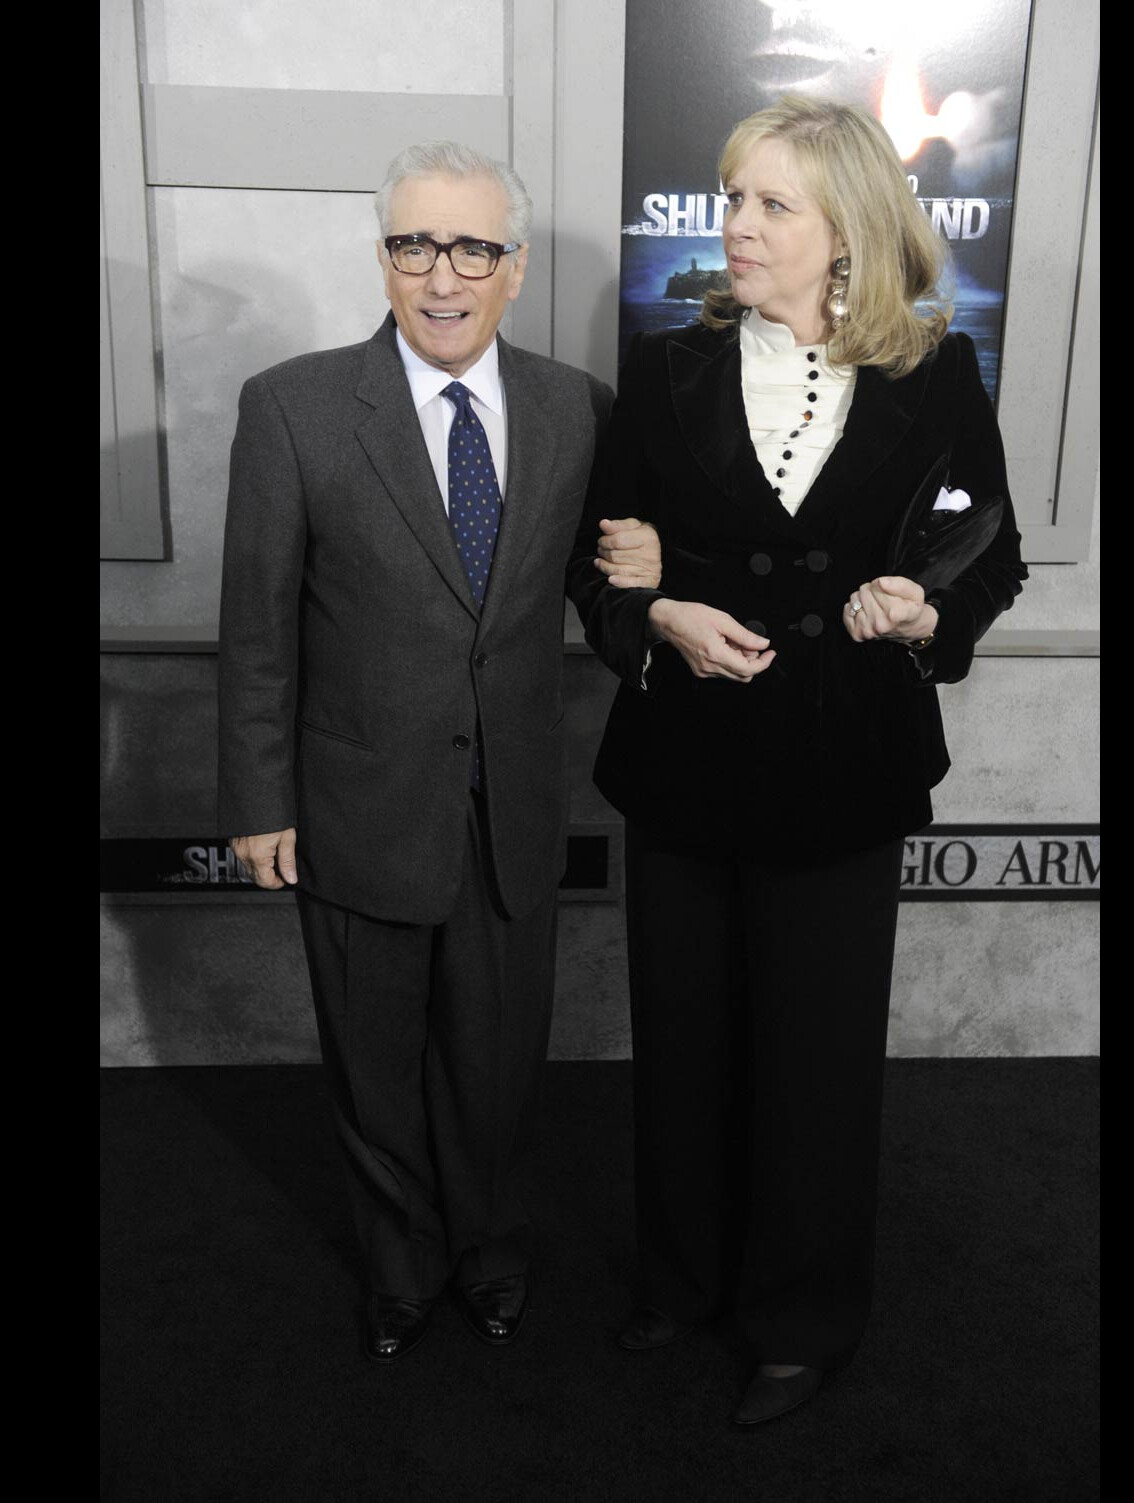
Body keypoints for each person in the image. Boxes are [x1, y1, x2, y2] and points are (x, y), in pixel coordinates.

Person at [568, 94, 1028, 1426]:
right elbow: (597, 549)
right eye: (731, 197)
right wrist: (655, 610)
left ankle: (803, 1314)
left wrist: (929, 605)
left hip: (843, 756)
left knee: (816, 1060)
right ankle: (682, 1277)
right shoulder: (663, 368)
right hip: (687, 757)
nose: (737, 225)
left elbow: (983, 540)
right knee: (685, 1041)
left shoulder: (936, 374)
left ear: (849, 233)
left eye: (771, 203)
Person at [218, 141, 658, 1364]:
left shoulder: (579, 408)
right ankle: (400, 1269)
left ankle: (494, 1254)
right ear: (384, 260)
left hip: (511, 806)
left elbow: (592, 587)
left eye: (471, 248)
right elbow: (256, 624)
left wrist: (654, 597)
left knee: (500, 1064)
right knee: (375, 1065)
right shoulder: (294, 406)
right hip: (356, 803)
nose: (442, 276)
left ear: (512, 269)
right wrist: (258, 800)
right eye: (416, 246)